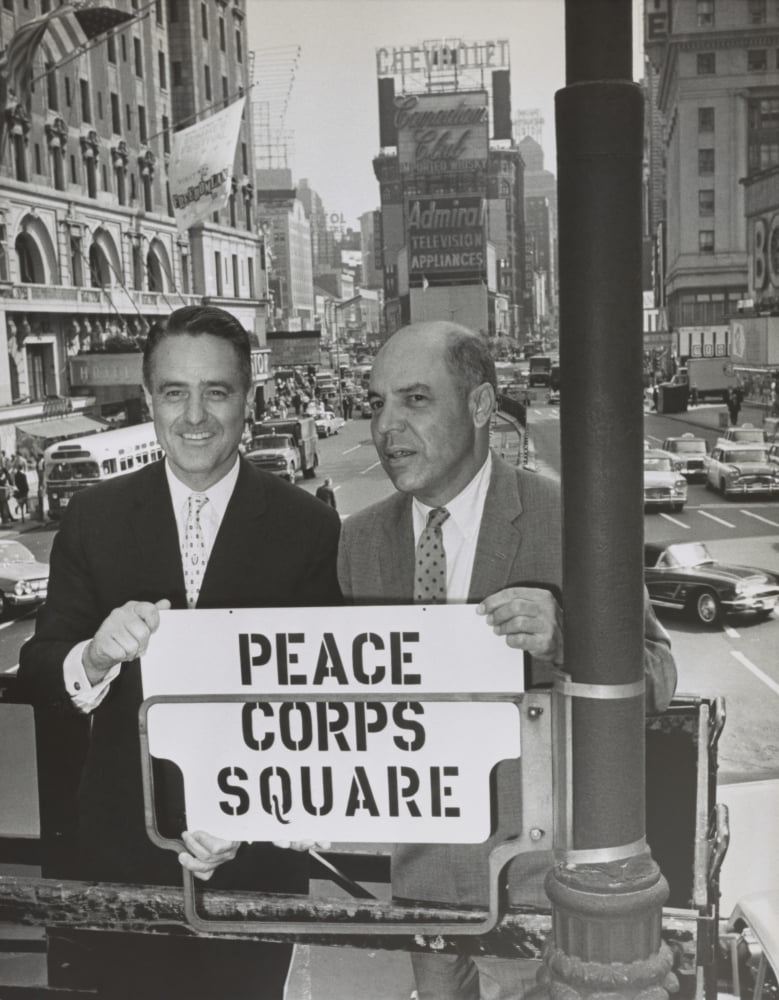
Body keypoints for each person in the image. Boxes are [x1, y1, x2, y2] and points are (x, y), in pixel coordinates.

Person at [337, 320, 678, 1000]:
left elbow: (658, 676)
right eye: (375, 403)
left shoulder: (574, 522)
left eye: (414, 400)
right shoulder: (358, 543)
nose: (386, 426)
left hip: (545, 900)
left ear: (481, 406)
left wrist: (568, 644)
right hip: (426, 894)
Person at [17, 305, 342, 1000]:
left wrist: (251, 820)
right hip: (119, 857)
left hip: (256, 867)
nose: (194, 416)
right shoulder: (94, 518)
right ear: (149, 398)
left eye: (216, 392)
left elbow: (325, 710)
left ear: (247, 400)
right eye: (174, 392)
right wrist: (95, 657)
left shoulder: (308, 528)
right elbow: (43, 669)